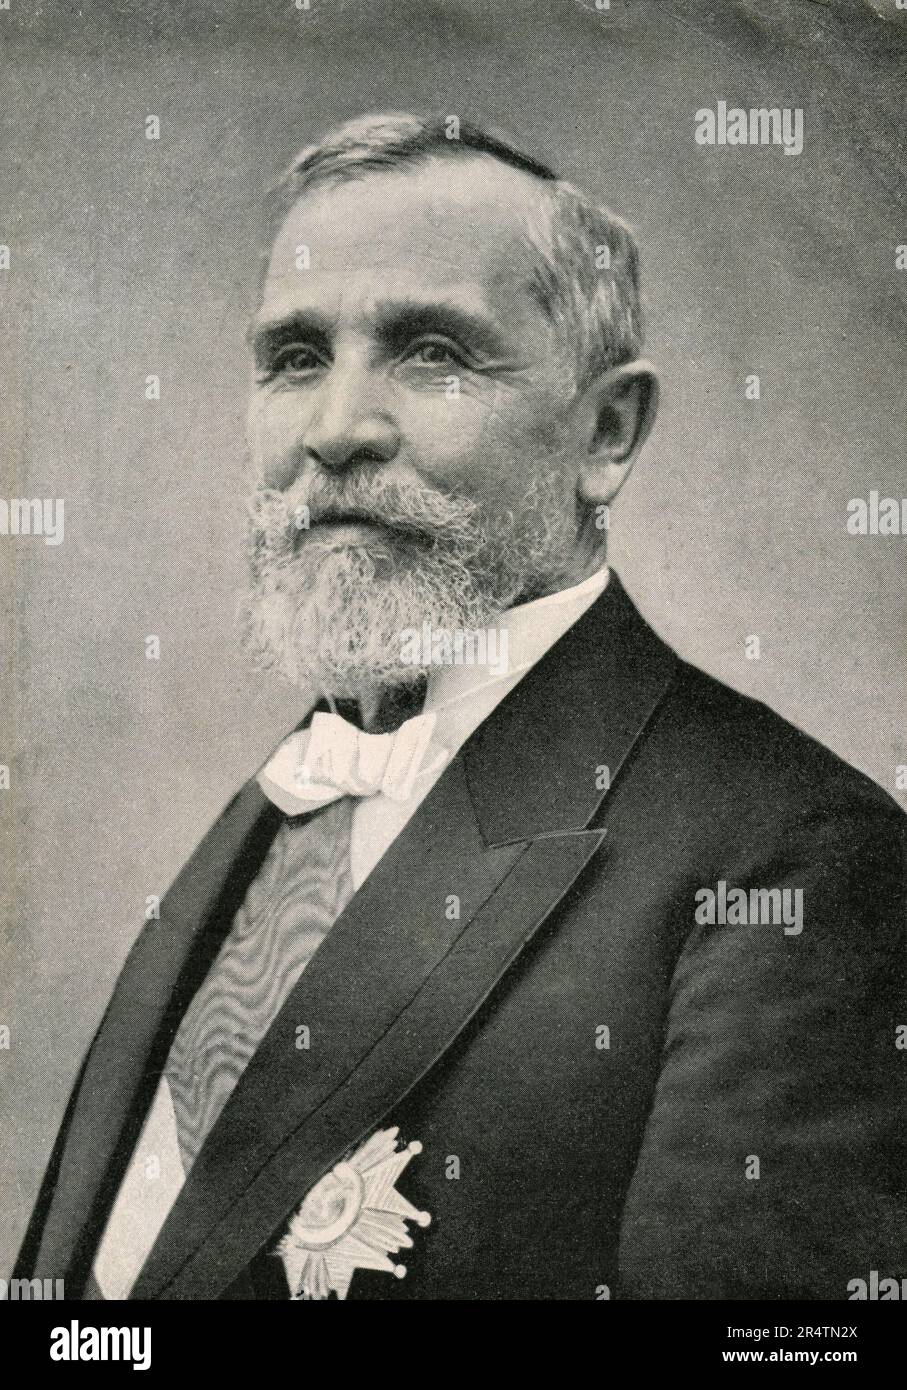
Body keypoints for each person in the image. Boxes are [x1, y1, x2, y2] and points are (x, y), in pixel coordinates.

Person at [16, 113, 906, 1301]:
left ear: (603, 433)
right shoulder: (299, 786)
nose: (335, 430)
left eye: (431, 352)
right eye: (293, 358)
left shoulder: (795, 857)